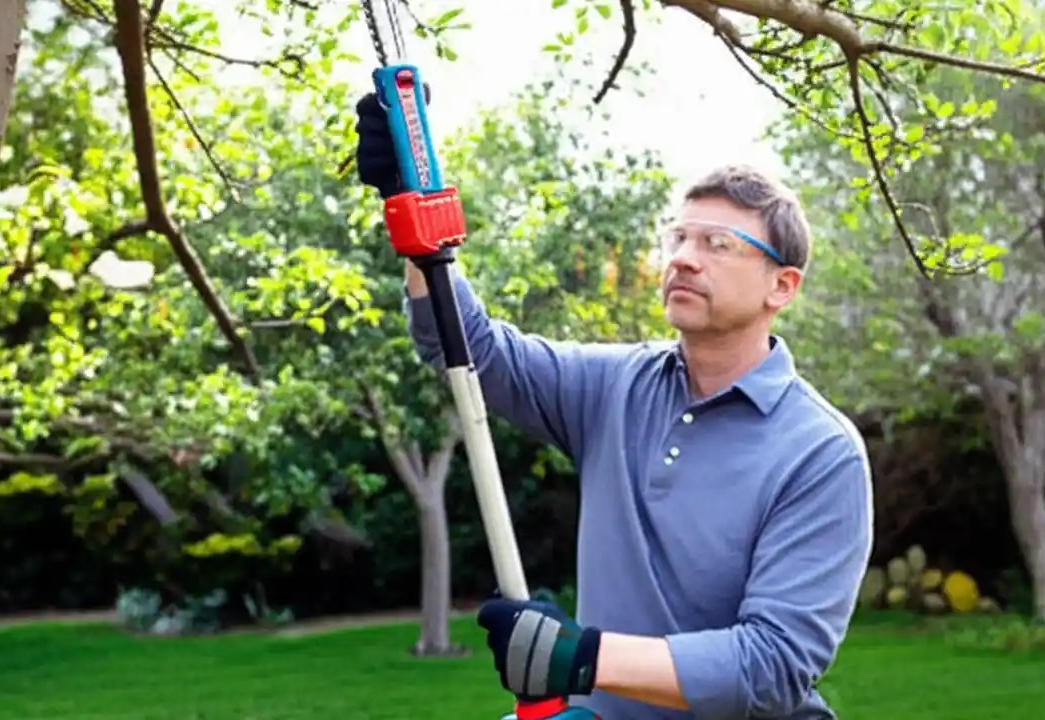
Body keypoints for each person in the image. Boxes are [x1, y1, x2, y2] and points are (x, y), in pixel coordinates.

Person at [354, 92, 873, 719]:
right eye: (678, 236)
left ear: (781, 286)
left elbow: (773, 667)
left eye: (717, 243)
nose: (683, 257)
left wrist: (581, 656)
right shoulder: (616, 386)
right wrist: (412, 214)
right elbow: (467, 350)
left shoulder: (821, 452)